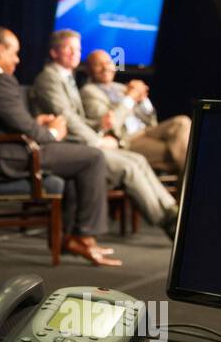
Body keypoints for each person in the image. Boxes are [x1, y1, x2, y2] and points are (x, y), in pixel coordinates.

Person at [0, 26, 122, 266]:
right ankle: (83, 237)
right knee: (93, 157)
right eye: (14, 52)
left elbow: (11, 121)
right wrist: (55, 130)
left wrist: (37, 123)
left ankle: (72, 237)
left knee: (80, 159)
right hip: (6, 157)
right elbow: (31, 131)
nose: (17, 59)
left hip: (3, 150)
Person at [30, 30, 179, 239]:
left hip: (83, 141)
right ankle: (166, 221)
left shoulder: (67, 78)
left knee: (138, 160)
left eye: (78, 49)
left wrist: (98, 124)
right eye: (68, 48)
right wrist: (97, 140)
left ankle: (172, 209)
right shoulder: (49, 78)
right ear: (54, 52)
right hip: (67, 146)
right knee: (128, 166)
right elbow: (66, 118)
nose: (74, 53)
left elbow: (77, 119)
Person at [80, 48, 192, 174]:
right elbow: (110, 125)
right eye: (98, 65)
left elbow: (151, 119)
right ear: (89, 70)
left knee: (182, 121)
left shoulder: (121, 87)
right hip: (127, 139)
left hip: (146, 130)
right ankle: (196, 182)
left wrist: (143, 99)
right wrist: (130, 98)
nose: (105, 67)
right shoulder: (89, 92)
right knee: (178, 150)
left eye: (108, 62)